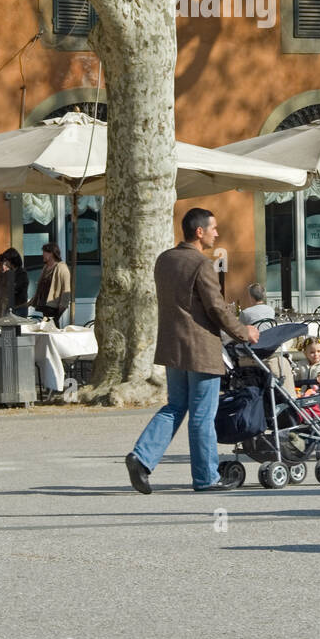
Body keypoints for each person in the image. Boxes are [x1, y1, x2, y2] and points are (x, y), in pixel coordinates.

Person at [126, 208, 259, 494]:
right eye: (213, 228)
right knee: (202, 414)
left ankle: (141, 456)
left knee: (175, 406)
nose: (217, 233)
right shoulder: (201, 264)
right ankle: (206, 477)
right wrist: (243, 331)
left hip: (173, 347)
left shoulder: (164, 260)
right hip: (200, 349)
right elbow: (216, 308)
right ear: (199, 232)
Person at [31, 243, 71, 323]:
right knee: (47, 326)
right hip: (44, 304)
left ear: (51, 253)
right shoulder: (46, 267)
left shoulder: (61, 267)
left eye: (44, 252)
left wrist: (62, 305)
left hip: (53, 306)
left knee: (52, 326)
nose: (43, 255)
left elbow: (66, 288)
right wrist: (34, 300)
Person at [2, 248, 30, 318]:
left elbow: (15, 288)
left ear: (12, 260)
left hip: (19, 308)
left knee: (17, 328)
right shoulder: (10, 273)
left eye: (6, 260)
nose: (5, 263)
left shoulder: (22, 273)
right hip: (10, 308)